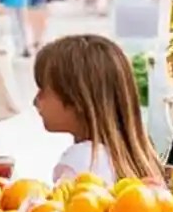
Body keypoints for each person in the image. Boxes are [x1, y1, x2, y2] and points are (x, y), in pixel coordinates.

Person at [33, 35, 163, 184]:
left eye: (43, 89)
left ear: (76, 99)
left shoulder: (81, 163)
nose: (36, 100)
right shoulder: (143, 161)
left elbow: (57, 206)